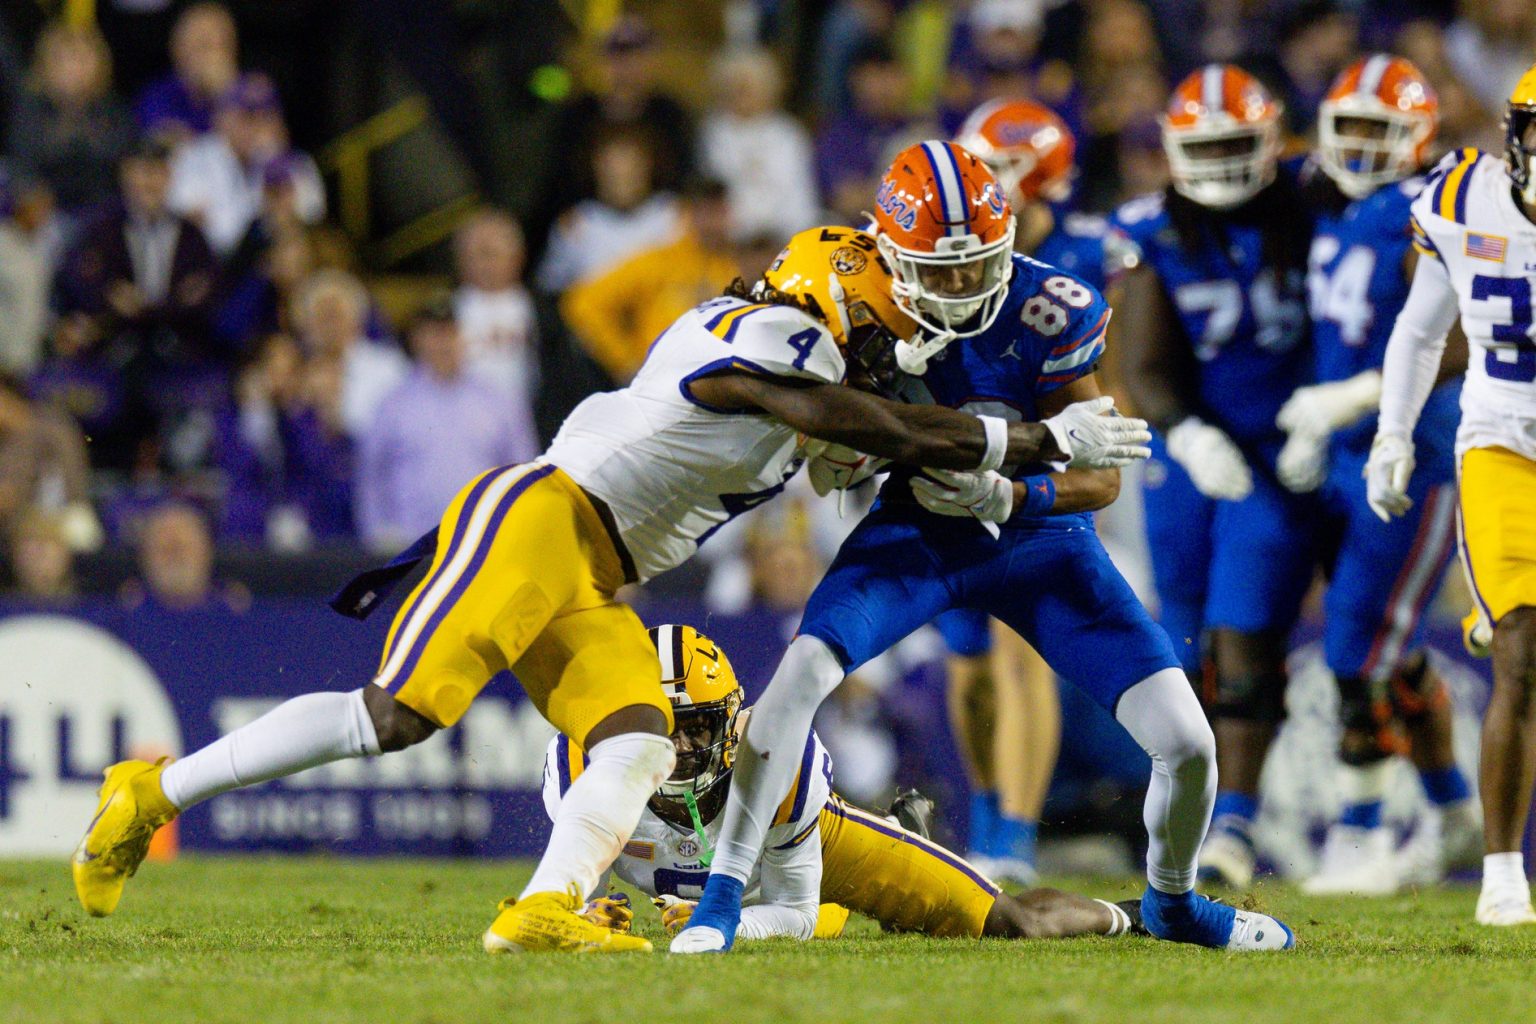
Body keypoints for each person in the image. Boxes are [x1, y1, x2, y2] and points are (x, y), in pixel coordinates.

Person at [71, 224, 1148, 953]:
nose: (887, 341)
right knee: (393, 716)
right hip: (541, 518)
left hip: (599, 568)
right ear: (833, 301)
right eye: (875, 318)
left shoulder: (817, 361)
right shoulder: (757, 338)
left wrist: (1014, 470)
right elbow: (845, 421)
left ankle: (541, 908)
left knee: (636, 735)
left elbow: (875, 435)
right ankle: (151, 792)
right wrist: (1026, 435)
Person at [675, 143, 1292, 955]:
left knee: (1187, 742)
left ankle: (1174, 903)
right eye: (944, 269)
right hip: (918, 532)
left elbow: (1100, 478)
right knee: (794, 684)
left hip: (1041, 542)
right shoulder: (853, 299)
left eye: (978, 266)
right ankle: (720, 898)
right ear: (892, 255)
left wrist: (1013, 494)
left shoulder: (1049, 307)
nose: (964, 285)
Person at [552, 624, 1139, 944]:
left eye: (697, 725)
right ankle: (908, 836)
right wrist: (584, 919)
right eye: (663, 726)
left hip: (818, 856)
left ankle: (1133, 915)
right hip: (752, 877)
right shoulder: (585, 765)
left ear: (733, 719)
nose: (679, 749)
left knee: (1007, 922)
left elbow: (796, 914)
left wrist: (730, 920)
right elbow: (560, 899)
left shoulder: (775, 757)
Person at [1273, 55, 1478, 896]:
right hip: (1344, 451)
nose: (1357, 145)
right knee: (1389, 652)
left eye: (1376, 129)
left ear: (1417, 137)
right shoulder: (1333, 204)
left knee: (1358, 642)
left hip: (1414, 453)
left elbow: (1458, 335)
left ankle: (1359, 836)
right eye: (1347, 125)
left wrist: (1352, 397)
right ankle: (1454, 807)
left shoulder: (1427, 210)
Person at [1107, 66, 1313, 890]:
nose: (1224, 162)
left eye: (1238, 143)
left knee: (1245, 637)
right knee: (1183, 642)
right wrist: (1185, 431)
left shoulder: (1313, 200)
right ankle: (1184, 821)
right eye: (1209, 146)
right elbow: (1145, 356)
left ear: (1271, 141)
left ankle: (1236, 823)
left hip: (1283, 446)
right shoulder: (1152, 231)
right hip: (1191, 452)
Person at [1367, 60, 1536, 927]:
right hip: (1506, 442)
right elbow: (1421, 327)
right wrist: (1393, 433)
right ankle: (1503, 870)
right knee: (1520, 649)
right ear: (1517, 138)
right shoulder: (1462, 199)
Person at [355, 297, 538, 550]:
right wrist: (378, 533)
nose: (442, 343)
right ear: (416, 340)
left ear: (464, 337)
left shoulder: (498, 399)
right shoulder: (392, 403)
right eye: (433, 334)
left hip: (483, 544)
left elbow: (523, 471)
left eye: (449, 333)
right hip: (413, 547)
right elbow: (372, 475)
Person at [559, 177, 741, 384]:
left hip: (722, 384)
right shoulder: (659, 262)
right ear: (688, 213)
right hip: (664, 384)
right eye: (706, 212)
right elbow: (583, 303)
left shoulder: (735, 265)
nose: (715, 222)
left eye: (720, 212)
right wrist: (627, 363)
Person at [167, 72, 325, 257]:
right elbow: (188, 225)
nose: (258, 125)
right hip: (213, 265)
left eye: (267, 115)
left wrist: (273, 167)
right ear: (223, 118)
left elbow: (311, 220)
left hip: (270, 264)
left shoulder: (295, 163)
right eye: (248, 116)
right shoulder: (194, 156)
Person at [7, 20, 134, 214]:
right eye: (63, 59)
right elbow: (23, 167)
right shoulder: (30, 111)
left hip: (104, 213)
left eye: (81, 58)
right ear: (44, 65)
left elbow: (121, 162)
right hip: (44, 217)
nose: (74, 68)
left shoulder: (113, 110)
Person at [535, 128, 681, 294]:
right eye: (613, 168)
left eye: (631, 168)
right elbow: (551, 290)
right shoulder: (575, 224)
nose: (621, 175)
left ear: (648, 166)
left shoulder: (675, 216)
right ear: (596, 168)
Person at [698, 48, 819, 240]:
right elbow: (715, 189)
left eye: (748, 87)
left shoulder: (788, 133)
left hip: (784, 236)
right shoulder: (714, 132)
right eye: (735, 87)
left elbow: (799, 193)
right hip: (730, 238)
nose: (741, 94)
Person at [451, 208, 538, 407]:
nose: (481, 264)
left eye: (489, 253)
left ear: (518, 257)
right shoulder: (444, 312)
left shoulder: (544, 311)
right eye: (471, 255)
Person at [134, 2, 240, 141]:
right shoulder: (157, 96)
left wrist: (228, 95)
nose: (214, 56)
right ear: (178, 48)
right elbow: (163, 142)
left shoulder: (254, 92)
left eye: (221, 44)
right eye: (204, 45)